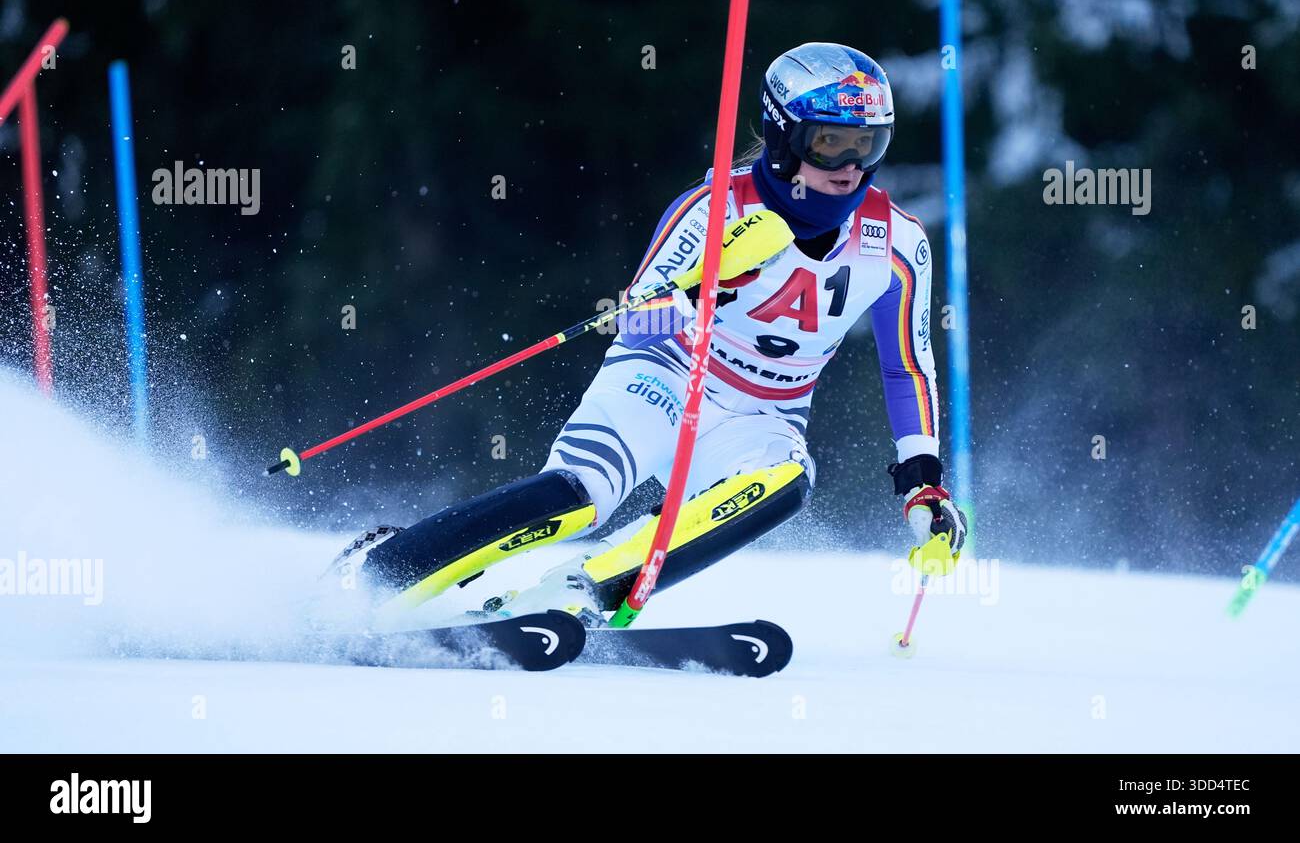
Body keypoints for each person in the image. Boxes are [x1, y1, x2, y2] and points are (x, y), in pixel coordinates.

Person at [336, 42, 967, 625]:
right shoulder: (715, 207)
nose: (852, 167)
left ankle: (580, 592)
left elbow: (907, 365)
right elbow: (635, 318)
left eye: (869, 144)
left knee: (785, 481)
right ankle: (385, 571)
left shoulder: (900, 242)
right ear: (784, 137)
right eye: (831, 144)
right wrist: (704, 286)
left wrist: (923, 480)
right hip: (663, 376)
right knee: (579, 499)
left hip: (764, 416)